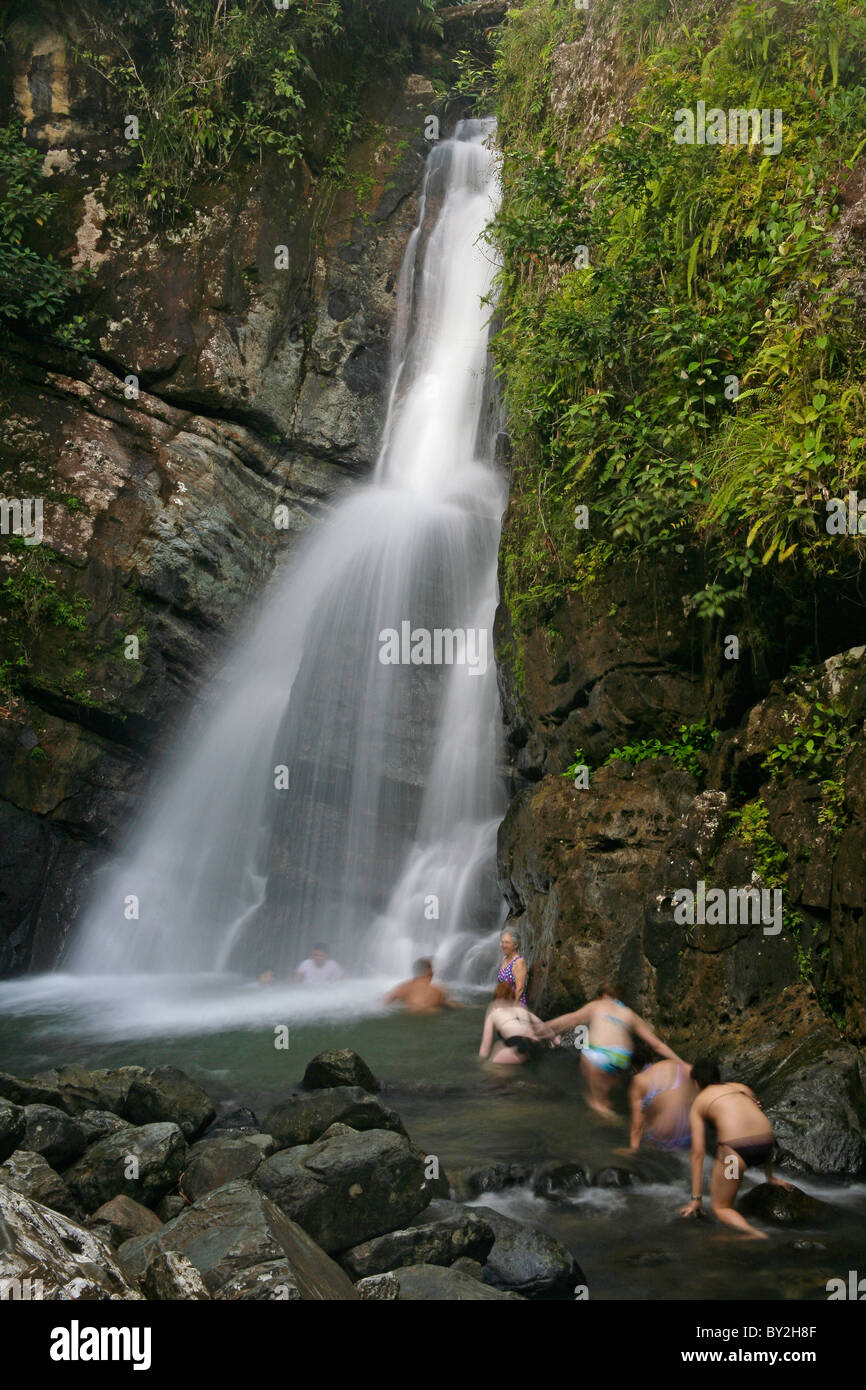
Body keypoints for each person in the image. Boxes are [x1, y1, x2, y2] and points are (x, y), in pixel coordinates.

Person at [679, 1058, 793, 1237]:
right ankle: (770, 1178)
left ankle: (755, 1235)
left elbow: (698, 1152)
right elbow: (754, 1121)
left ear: (696, 1083)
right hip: (766, 1147)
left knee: (721, 1207)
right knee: (753, 1136)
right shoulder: (742, 1088)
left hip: (735, 1156)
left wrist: (696, 1199)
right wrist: (770, 1177)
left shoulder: (700, 1101)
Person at [546, 981, 683, 1118]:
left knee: (593, 1101)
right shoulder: (629, 1014)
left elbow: (571, 1019)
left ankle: (615, 1123)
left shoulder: (597, 1005)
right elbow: (657, 1045)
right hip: (621, 1058)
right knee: (606, 1097)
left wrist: (541, 1026)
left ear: (602, 995)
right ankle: (607, 1109)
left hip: (598, 1055)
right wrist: (682, 1063)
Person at [479, 982, 556, 1065]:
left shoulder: (493, 1011)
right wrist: (555, 1041)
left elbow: (485, 1049)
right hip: (535, 1045)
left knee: (491, 1065)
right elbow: (545, 1029)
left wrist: (481, 1062)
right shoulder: (522, 1009)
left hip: (516, 1044)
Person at [628, 1058, 696, 1152]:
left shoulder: (640, 1080)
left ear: (634, 1067)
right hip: (689, 1137)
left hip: (660, 1141)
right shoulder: (679, 1066)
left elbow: (637, 1127)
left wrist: (632, 1150)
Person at [384, 959, 456, 1014]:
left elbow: (386, 1002)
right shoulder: (439, 991)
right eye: (432, 969)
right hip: (430, 1018)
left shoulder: (403, 987)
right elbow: (451, 1005)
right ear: (430, 971)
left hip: (409, 1016)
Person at [497, 929, 528, 1006]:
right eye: (502, 942)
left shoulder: (519, 962)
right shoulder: (504, 959)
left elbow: (520, 989)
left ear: (515, 945)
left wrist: (512, 1008)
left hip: (516, 1005)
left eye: (507, 942)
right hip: (504, 1003)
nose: (503, 945)